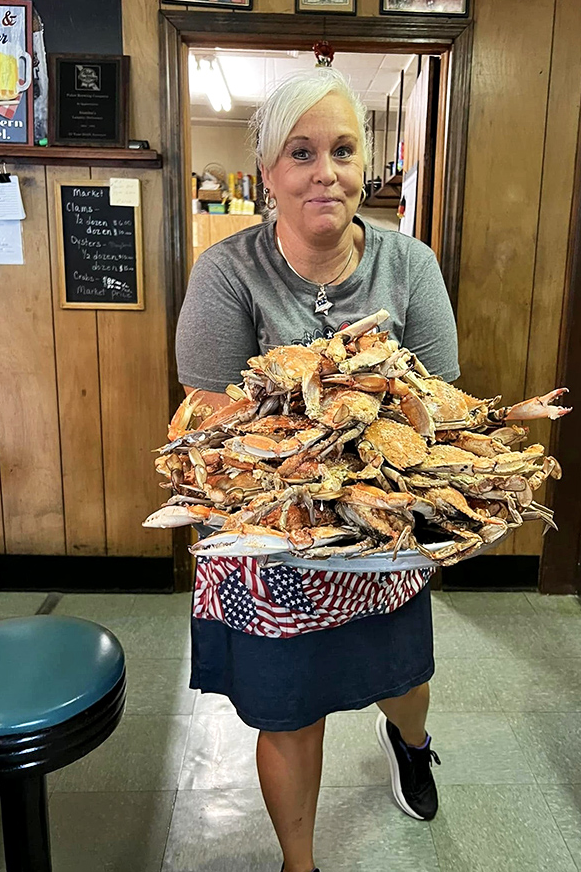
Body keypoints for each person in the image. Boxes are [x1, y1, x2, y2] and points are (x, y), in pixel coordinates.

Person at [176, 68, 459, 872]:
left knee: (402, 678)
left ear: (363, 165)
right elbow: (211, 425)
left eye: (341, 150)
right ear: (268, 170)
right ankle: (299, 864)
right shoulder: (227, 273)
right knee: (287, 710)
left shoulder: (410, 266)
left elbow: (437, 404)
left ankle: (412, 740)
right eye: (301, 152)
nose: (323, 171)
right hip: (272, 539)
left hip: (380, 526)